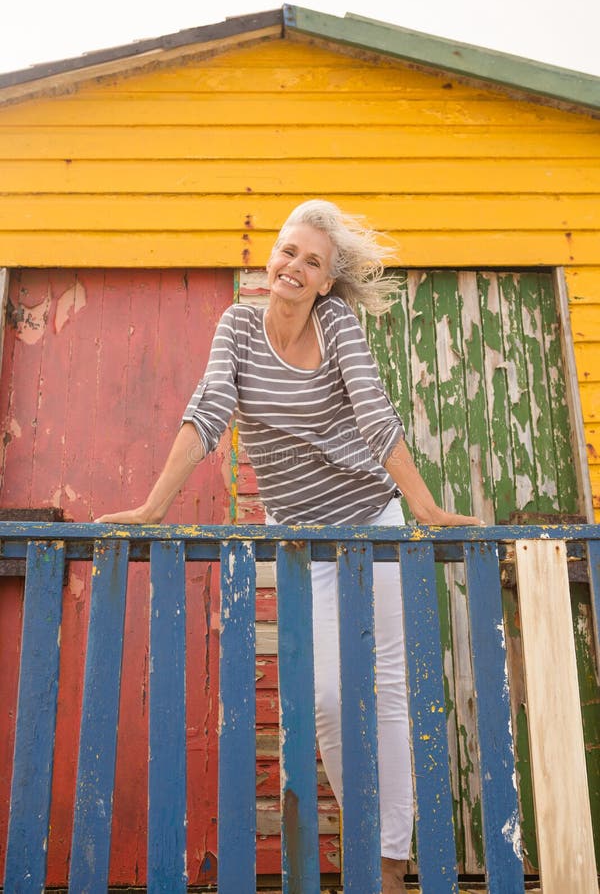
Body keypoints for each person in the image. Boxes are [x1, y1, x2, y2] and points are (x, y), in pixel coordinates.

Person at [96, 199, 483, 893]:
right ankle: (370, 840)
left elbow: (373, 412)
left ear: (328, 282)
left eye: (312, 261)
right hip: (304, 539)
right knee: (332, 698)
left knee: (388, 692)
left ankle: (390, 869)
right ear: (268, 260)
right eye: (287, 252)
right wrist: (155, 506)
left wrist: (421, 506)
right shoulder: (238, 327)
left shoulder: (337, 324)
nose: (295, 267)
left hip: (373, 522)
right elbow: (209, 408)